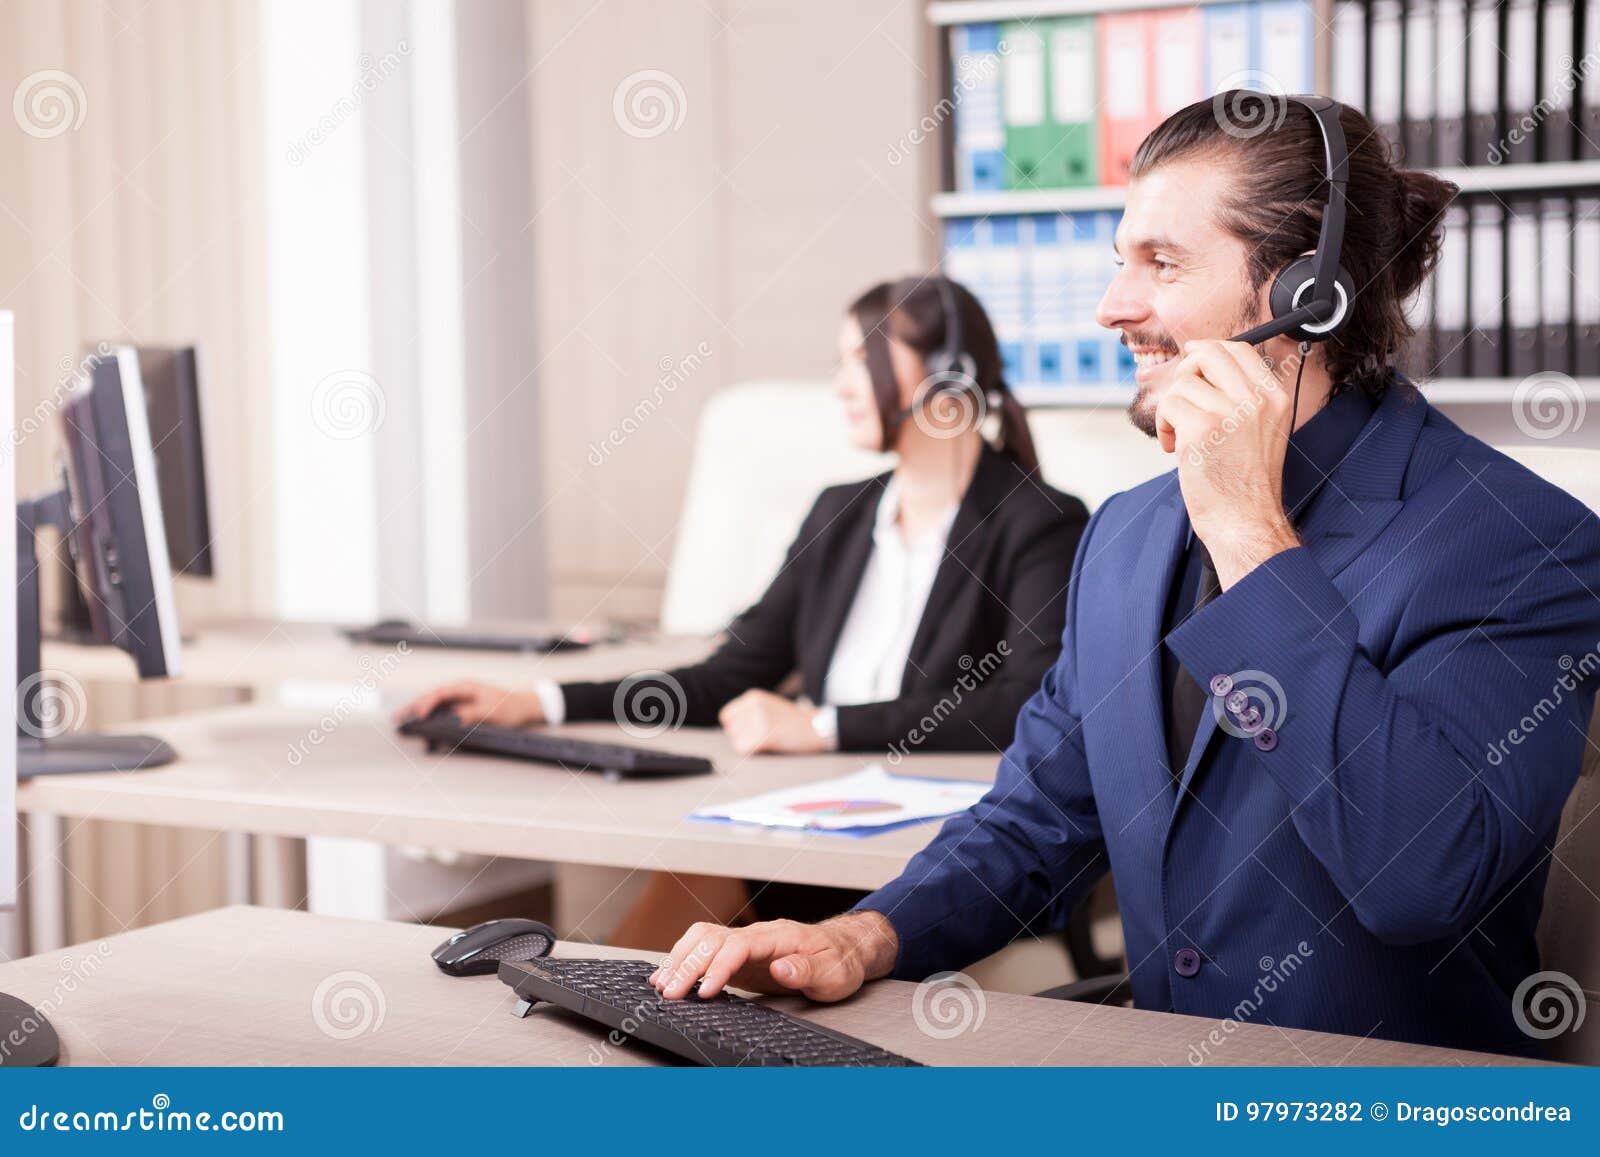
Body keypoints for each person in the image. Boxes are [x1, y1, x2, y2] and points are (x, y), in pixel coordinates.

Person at [648, 95, 1600, 1057]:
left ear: (1306, 291)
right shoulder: (1128, 534)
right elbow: (1039, 818)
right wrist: (862, 934)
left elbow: (1420, 875)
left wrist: (1252, 537)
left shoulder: (1518, 544)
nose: (1113, 308)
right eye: (1119, 263)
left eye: (1162, 263)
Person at [400, 275, 1090, 947]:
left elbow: (1022, 703)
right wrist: (538, 701)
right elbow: (729, 674)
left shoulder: (1039, 522)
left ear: (947, 375)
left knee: (698, 910)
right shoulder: (840, 513)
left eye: (864, 359)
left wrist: (819, 726)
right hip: (812, 816)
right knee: (688, 893)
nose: (842, 385)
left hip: (931, 844)